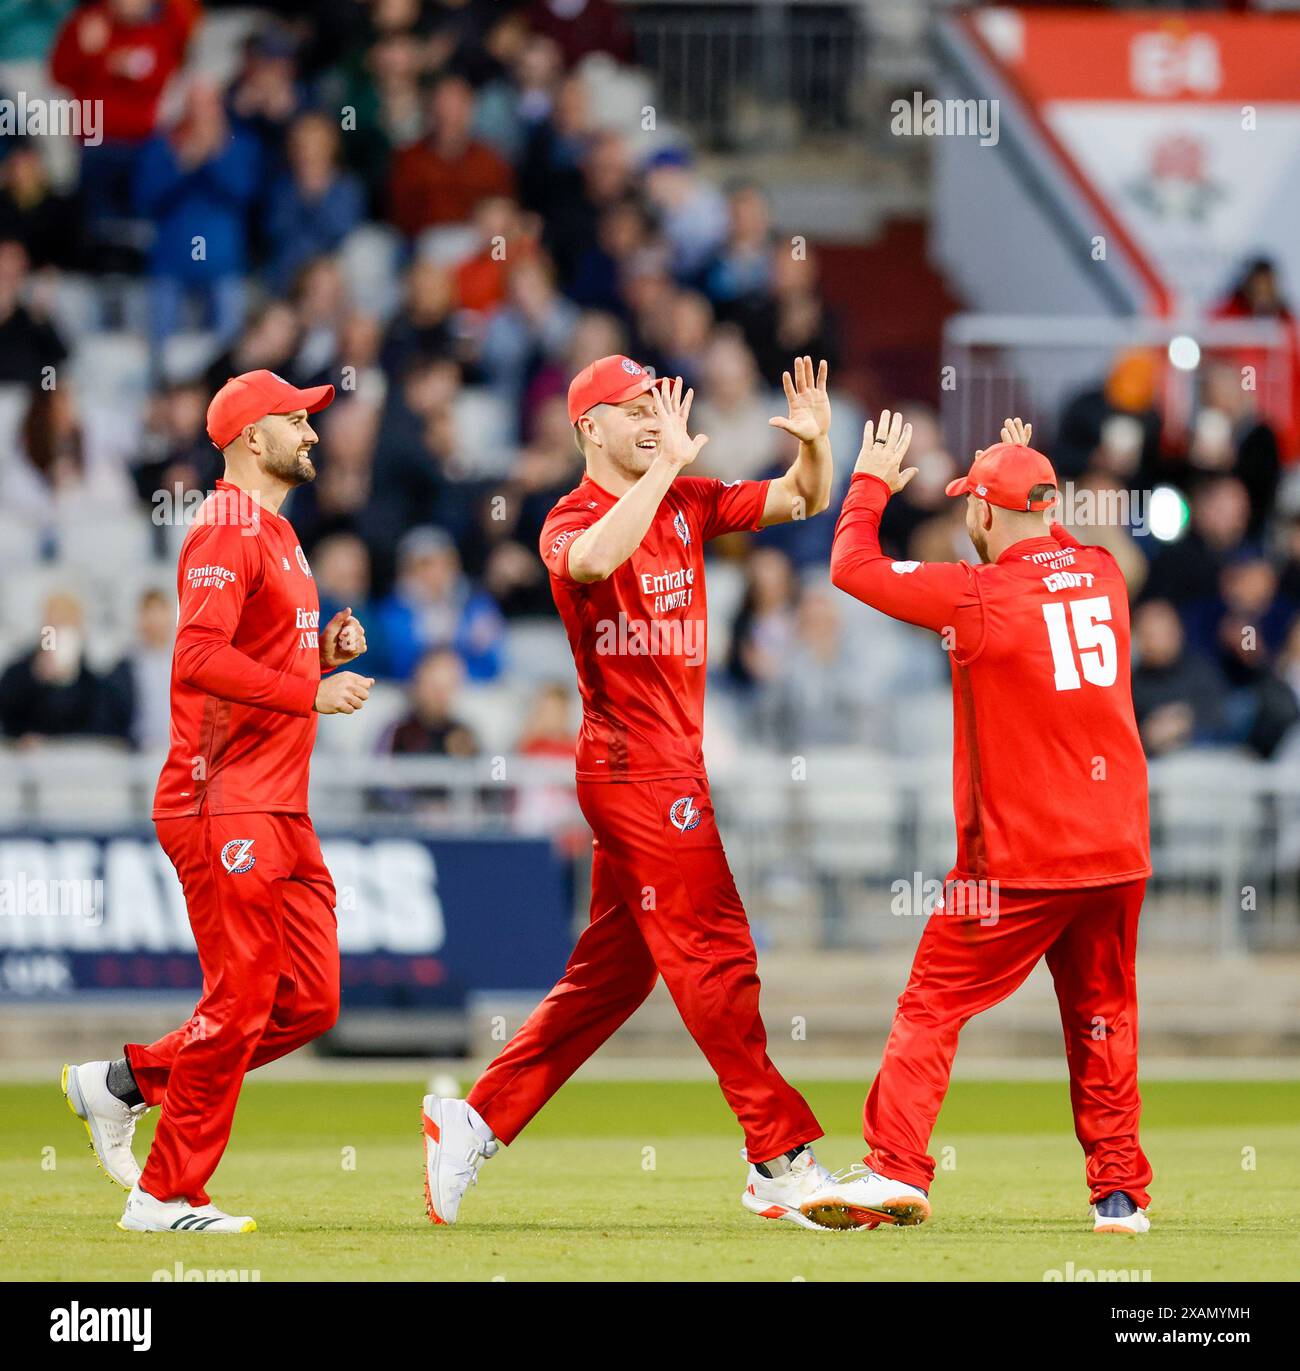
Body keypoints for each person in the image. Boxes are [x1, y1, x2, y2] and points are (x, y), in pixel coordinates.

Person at [420, 355, 865, 1230]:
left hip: (674, 765)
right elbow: (590, 561)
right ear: (590, 428)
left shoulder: (688, 501)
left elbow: (800, 498)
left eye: (657, 403)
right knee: (715, 953)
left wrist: (816, 448)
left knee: (610, 977)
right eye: (634, 409)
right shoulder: (571, 517)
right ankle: (779, 1158)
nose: (655, 418)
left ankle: (474, 1118)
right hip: (632, 771)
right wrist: (665, 467)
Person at [801, 415, 1153, 1236]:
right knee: (1104, 1015)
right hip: (1116, 848)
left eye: (970, 504)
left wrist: (870, 486)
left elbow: (852, 567)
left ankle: (895, 1168)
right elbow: (1050, 539)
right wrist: (1021, 476)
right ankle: (1119, 1196)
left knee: (931, 1004)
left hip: (1021, 859)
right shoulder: (1103, 573)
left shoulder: (977, 592)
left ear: (985, 516)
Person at [61, 369, 374, 1234]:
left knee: (308, 999)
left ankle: (124, 1082)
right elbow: (196, 657)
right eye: (296, 418)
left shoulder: (278, 534)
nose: (312, 429)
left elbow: (254, 663)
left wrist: (320, 656)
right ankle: (164, 1196)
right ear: (248, 436)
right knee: (238, 1000)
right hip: (220, 798)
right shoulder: (223, 529)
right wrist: (309, 692)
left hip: (279, 802)